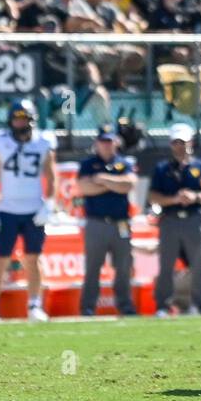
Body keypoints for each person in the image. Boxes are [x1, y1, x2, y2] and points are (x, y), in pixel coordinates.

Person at [0, 98, 57, 323]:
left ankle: (34, 305)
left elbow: (52, 176)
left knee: (33, 259)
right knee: (0, 259)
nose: (19, 124)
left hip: (33, 208)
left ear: (32, 121)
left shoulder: (44, 141)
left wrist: (49, 204)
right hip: (7, 208)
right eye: (16, 119)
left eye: (23, 119)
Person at [150, 122, 201, 316]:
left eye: (183, 142)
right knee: (166, 264)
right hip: (169, 219)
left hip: (193, 219)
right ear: (171, 144)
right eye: (176, 142)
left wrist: (194, 197)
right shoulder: (162, 169)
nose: (179, 146)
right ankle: (163, 304)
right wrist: (174, 199)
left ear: (191, 142)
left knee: (198, 263)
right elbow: (153, 197)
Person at [77, 125, 138, 318]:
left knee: (123, 267)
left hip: (121, 222)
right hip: (96, 222)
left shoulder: (124, 163)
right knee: (93, 267)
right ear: (97, 143)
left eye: (110, 141)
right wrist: (114, 184)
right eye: (103, 141)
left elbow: (129, 184)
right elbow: (84, 188)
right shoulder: (88, 164)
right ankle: (87, 307)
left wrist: (102, 179)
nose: (107, 145)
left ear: (116, 143)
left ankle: (125, 306)